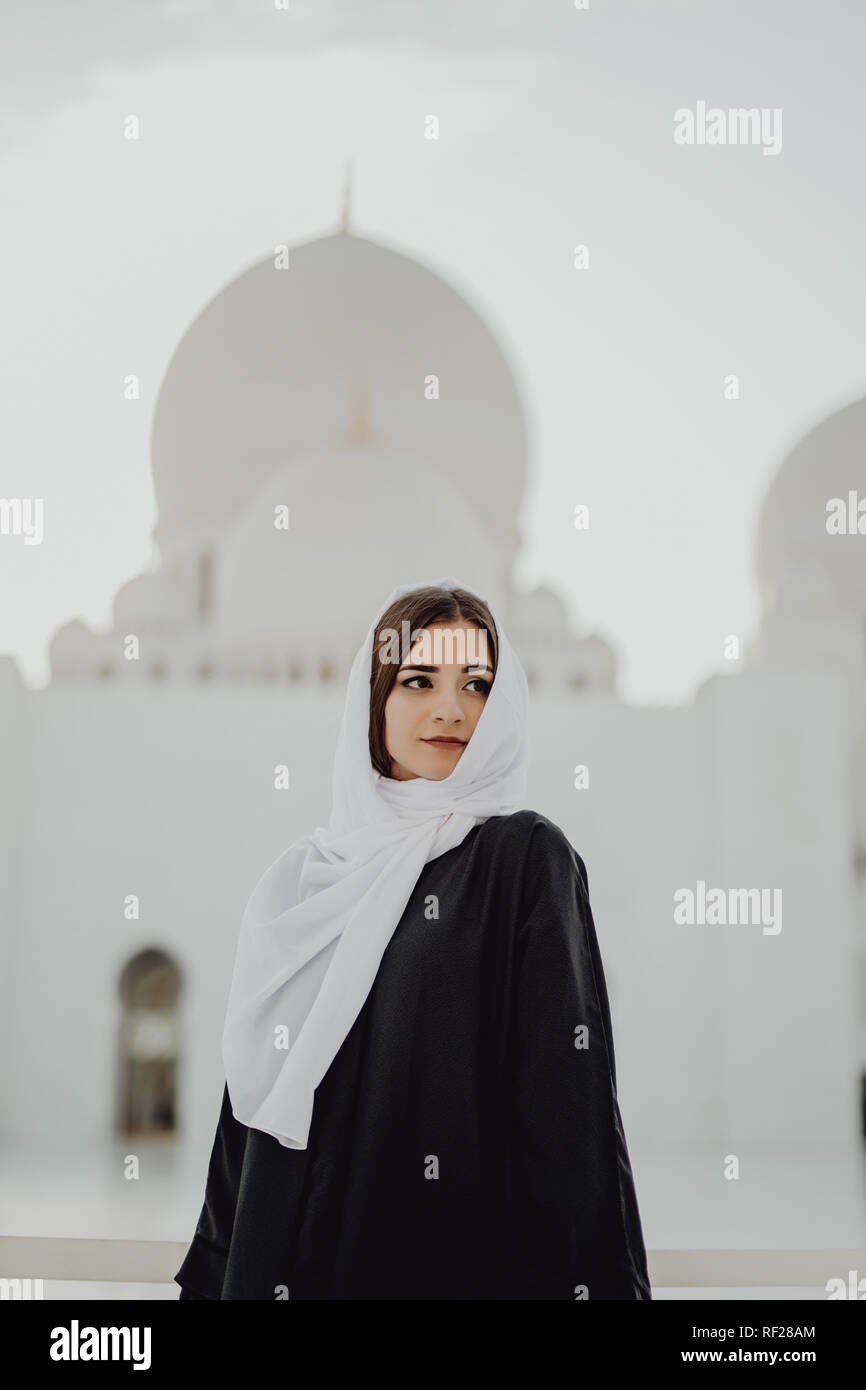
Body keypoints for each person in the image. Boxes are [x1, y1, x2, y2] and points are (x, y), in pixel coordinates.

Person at [175, 576, 651, 1300]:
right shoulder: (302, 882)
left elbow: (567, 1116)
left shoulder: (523, 859)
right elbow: (249, 1111)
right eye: (419, 680)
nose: (451, 710)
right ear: (375, 701)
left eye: (478, 686)